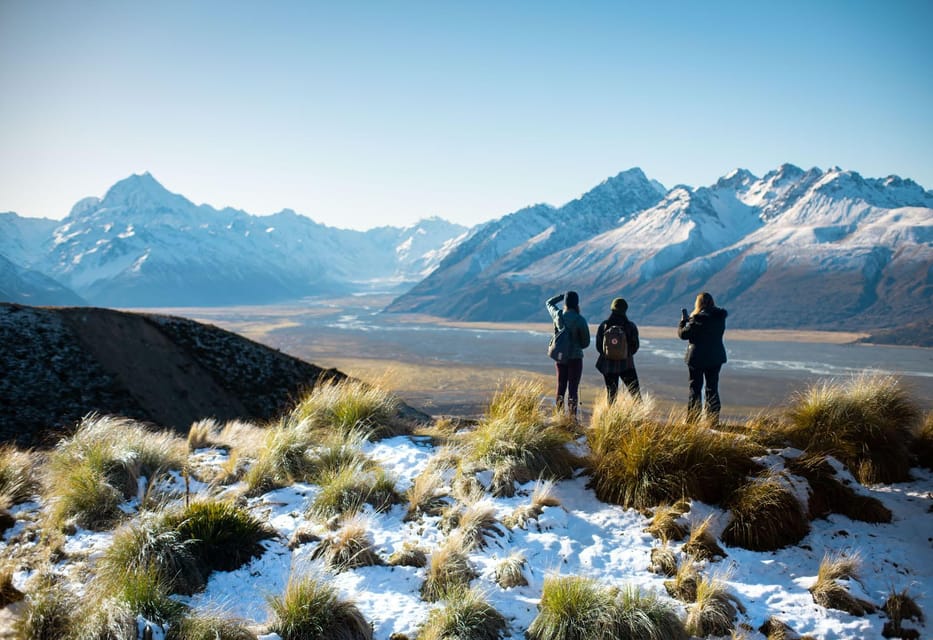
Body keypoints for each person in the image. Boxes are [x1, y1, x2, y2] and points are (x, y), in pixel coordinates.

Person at [677, 291, 728, 422]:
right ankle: (713, 419)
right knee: (712, 388)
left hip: (697, 358)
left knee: (695, 388)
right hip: (716, 358)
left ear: (699, 303)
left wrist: (683, 323)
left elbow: (683, 335)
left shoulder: (698, 319)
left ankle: (693, 420)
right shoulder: (720, 317)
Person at [546, 291, 590, 418]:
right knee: (573, 389)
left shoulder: (557, 315)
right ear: (577, 303)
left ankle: (559, 416)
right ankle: (571, 418)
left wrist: (562, 296)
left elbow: (549, 302)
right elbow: (585, 343)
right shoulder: (580, 320)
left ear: (565, 303)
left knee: (561, 387)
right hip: (575, 358)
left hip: (560, 358)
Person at [595, 297, 640, 403]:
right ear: (625, 310)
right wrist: (625, 354)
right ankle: (640, 416)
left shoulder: (604, 326)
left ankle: (611, 418)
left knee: (611, 396)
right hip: (627, 366)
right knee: (635, 394)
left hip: (608, 367)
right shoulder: (630, 326)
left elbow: (598, 347)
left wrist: (608, 355)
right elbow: (635, 346)